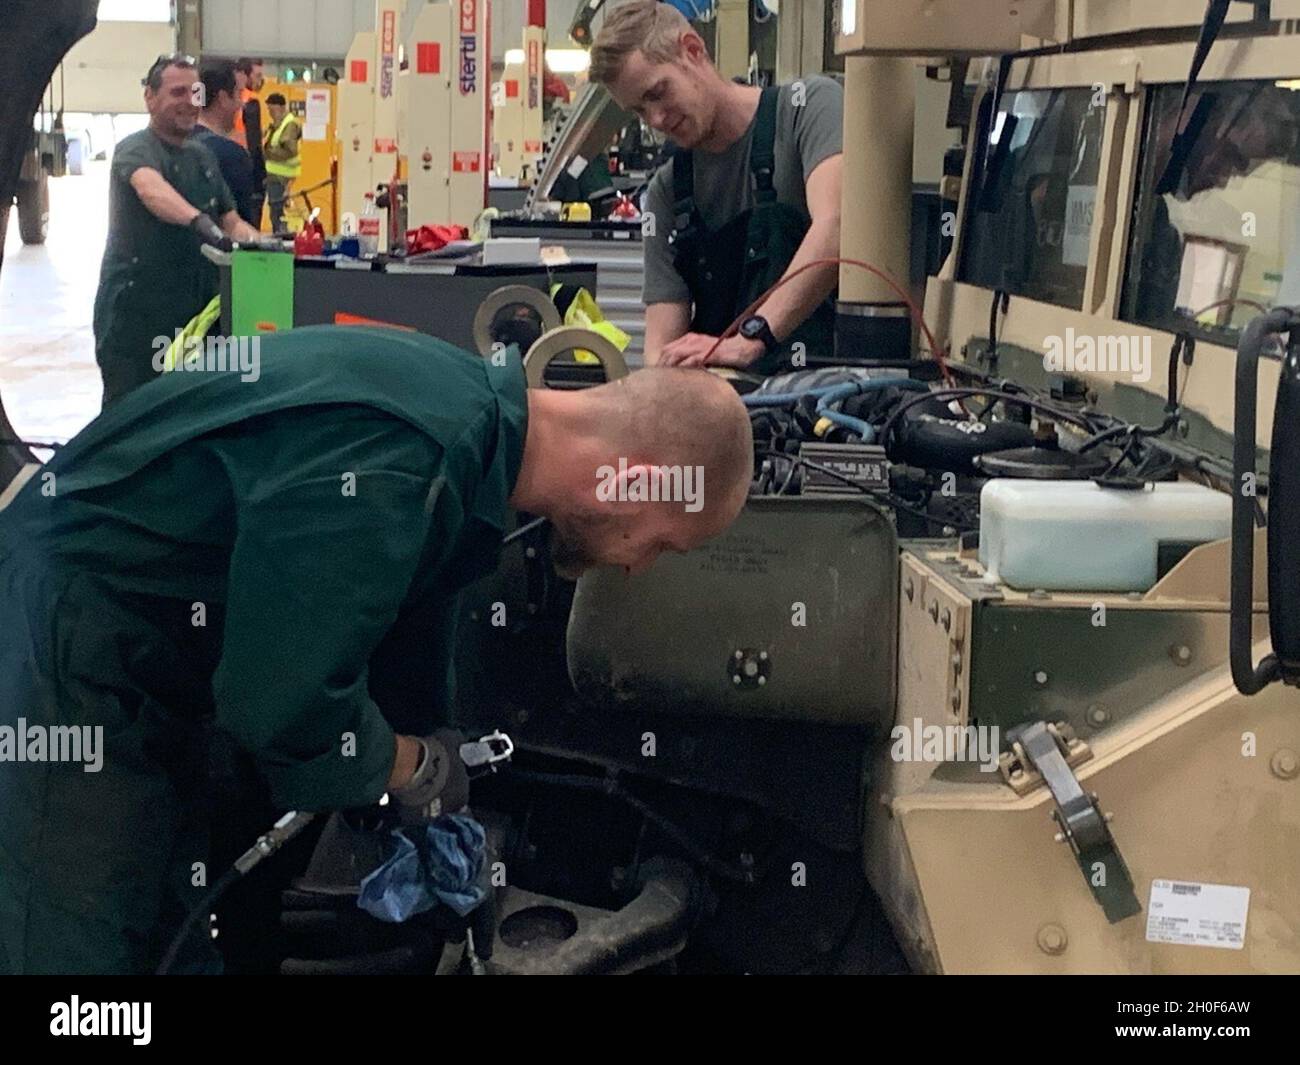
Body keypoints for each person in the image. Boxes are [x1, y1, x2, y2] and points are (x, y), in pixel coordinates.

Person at [0, 326, 753, 974]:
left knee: (175, 936)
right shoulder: (404, 456)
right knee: (75, 952)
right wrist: (410, 765)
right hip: (69, 645)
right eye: (660, 542)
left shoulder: (472, 433)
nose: (636, 565)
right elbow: (280, 704)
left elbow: (396, 630)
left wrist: (426, 748)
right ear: (639, 479)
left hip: (149, 654)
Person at [590, 0, 843, 373]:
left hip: (831, 402)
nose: (655, 119)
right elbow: (662, 348)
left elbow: (836, 226)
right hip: (730, 413)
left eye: (658, 92)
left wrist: (750, 341)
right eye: (639, 110)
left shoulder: (807, 111)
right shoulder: (666, 192)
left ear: (692, 50)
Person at [92, 55, 260, 405]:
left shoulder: (202, 158)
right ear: (150, 98)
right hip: (136, 320)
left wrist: (265, 245)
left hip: (192, 319)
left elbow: (232, 222)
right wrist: (200, 222)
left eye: (195, 92)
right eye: (177, 92)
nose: (189, 101)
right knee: (131, 417)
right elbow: (151, 190)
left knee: (186, 412)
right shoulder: (136, 149)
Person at [193, 60, 259, 228]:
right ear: (223, 98)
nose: (241, 104)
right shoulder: (232, 156)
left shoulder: (172, 146)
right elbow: (242, 228)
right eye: (238, 94)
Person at [234, 58, 267, 226]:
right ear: (244, 75)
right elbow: (254, 144)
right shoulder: (251, 101)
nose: (260, 80)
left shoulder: (230, 99)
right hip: (248, 166)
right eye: (257, 75)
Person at [262, 92, 301, 233]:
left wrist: (267, 152)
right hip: (275, 176)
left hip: (281, 176)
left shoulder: (289, 125)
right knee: (276, 213)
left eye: (272, 110)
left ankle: (282, 239)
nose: (270, 114)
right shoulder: (278, 125)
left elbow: (290, 151)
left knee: (278, 214)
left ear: (280, 107)